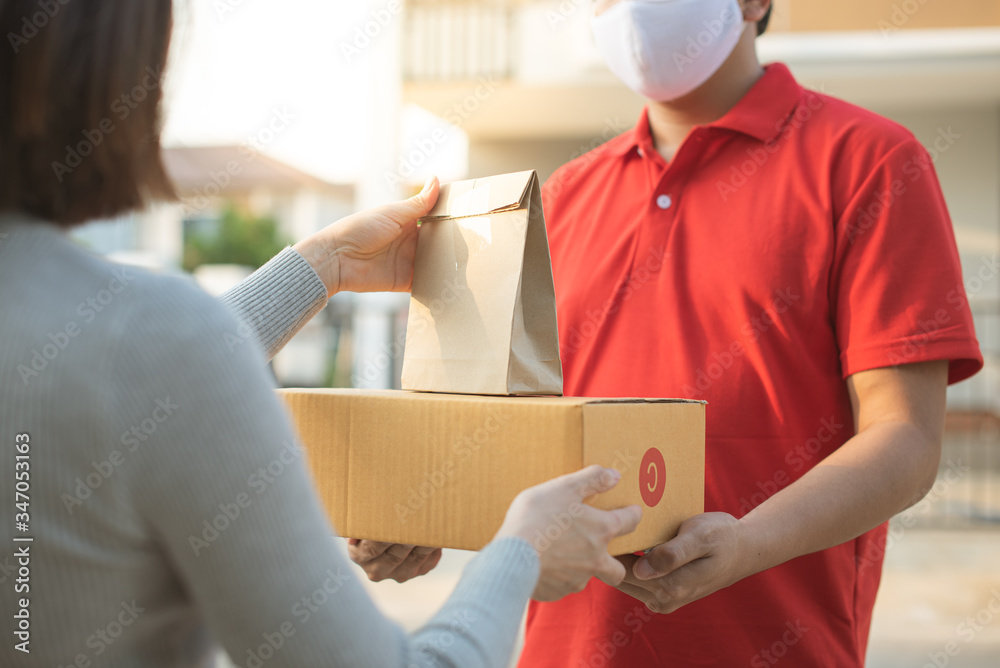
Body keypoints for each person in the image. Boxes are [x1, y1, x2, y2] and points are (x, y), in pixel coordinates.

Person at [0, 1, 643, 666]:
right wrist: (521, 554)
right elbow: (146, 367)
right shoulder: (153, 337)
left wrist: (323, 267)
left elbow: (129, 374)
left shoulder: (136, 340)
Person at [352, 1, 985, 666]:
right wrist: (424, 516)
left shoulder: (869, 164)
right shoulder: (564, 198)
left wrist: (749, 543)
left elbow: (905, 438)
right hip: (566, 651)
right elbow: (518, 434)